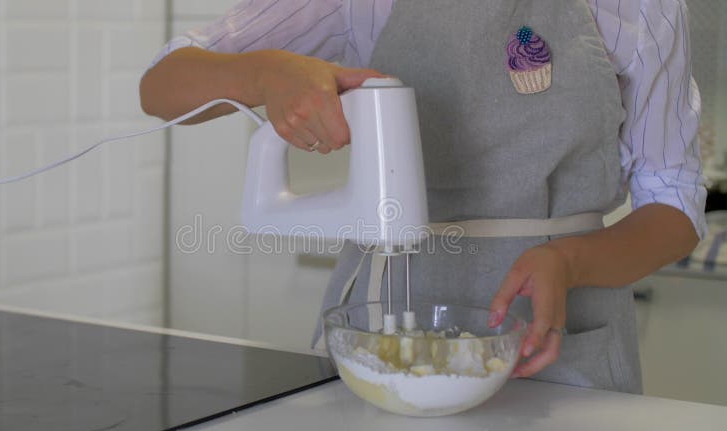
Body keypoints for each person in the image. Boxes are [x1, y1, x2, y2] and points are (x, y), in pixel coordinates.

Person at [140, 0, 706, 394]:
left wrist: (570, 261)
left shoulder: (642, 8)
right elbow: (161, 83)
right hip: (380, 334)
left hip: (560, 344)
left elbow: (675, 205)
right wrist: (266, 74)